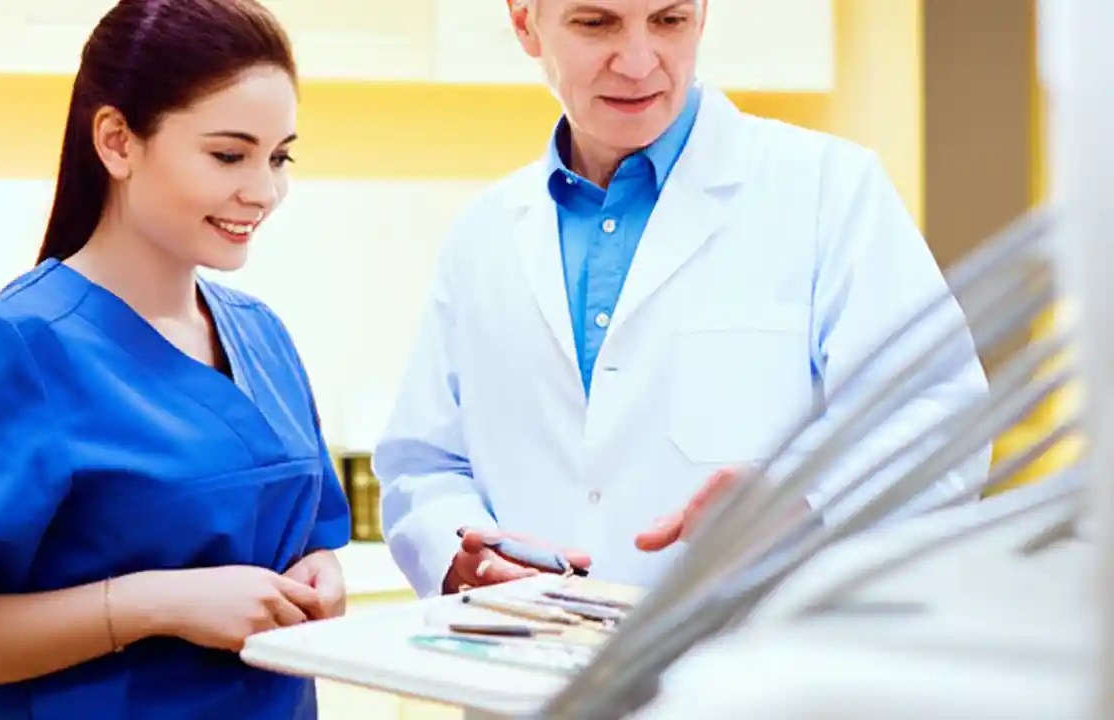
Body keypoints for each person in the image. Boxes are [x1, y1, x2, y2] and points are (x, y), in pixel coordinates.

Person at [374, 0, 991, 598]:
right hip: (525, 674)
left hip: (755, 672)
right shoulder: (482, 234)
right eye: (597, 23)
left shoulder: (828, 191)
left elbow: (940, 418)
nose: (640, 62)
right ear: (524, 23)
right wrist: (456, 557)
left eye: (669, 21)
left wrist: (804, 497)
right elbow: (423, 464)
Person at [0, 1, 350, 718]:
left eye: (279, 157)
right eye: (228, 154)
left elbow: (307, 540)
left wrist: (321, 576)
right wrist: (155, 603)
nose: (265, 191)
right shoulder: (13, 349)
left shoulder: (262, 334)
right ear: (118, 141)